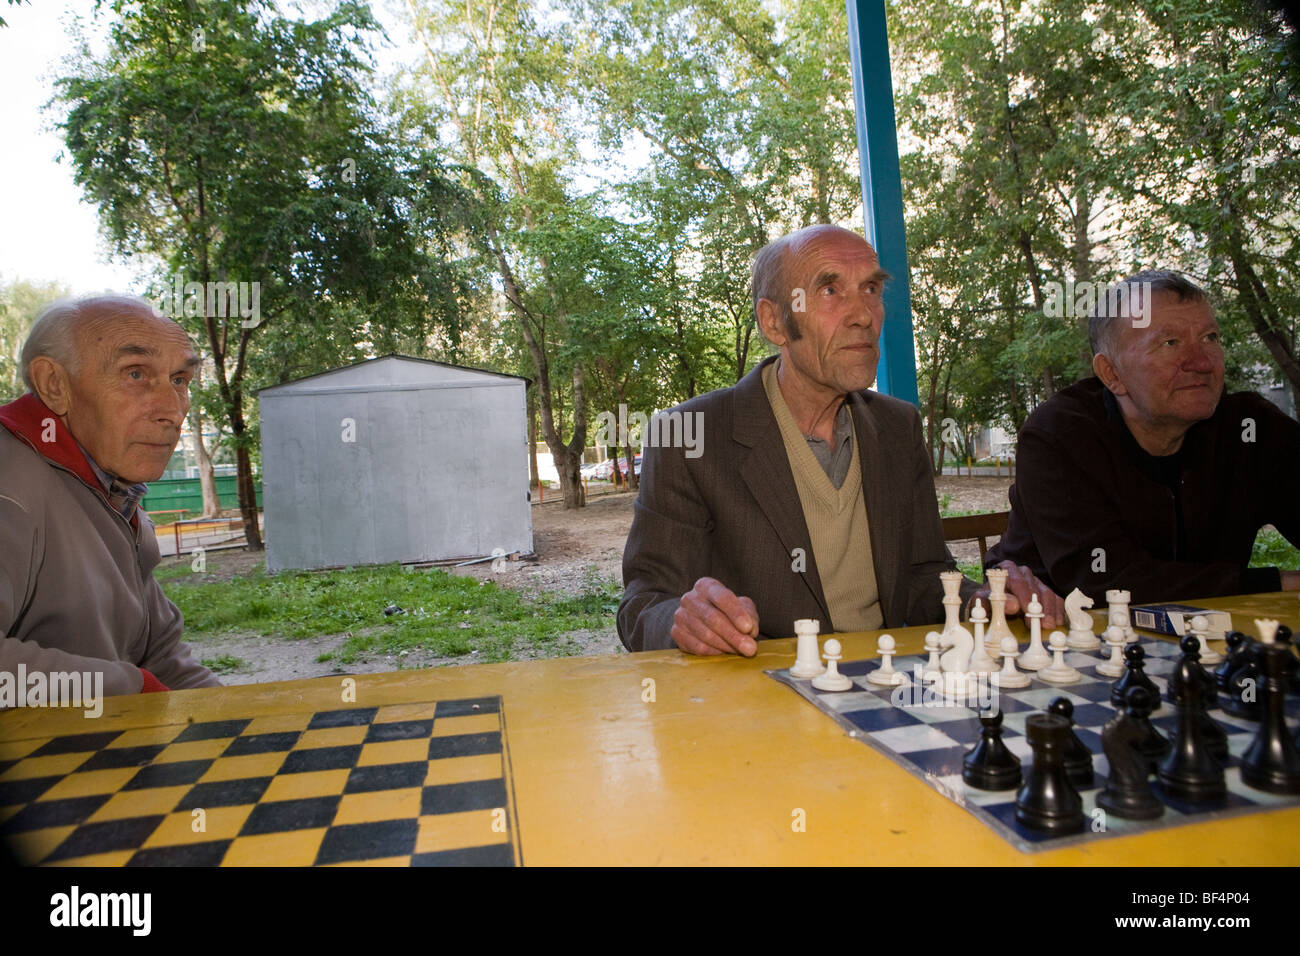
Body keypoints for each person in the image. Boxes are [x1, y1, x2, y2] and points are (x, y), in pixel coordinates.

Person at [618, 225, 1061, 655]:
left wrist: (982, 603)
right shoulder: (688, 437)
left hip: (884, 689)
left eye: (871, 289)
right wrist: (684, 620)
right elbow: (643, 603)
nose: (864, 316)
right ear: (774, 321)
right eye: (830, 291)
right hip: (762, 706)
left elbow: (923, 576)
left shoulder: (898, 428)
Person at [987, 270, 1300, 604]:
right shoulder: (1059, 436)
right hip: (1062, 636)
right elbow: (1107, 581)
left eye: (1210, 337)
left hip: (1211, 641)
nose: (1202, 362)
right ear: (1112, 374)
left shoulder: (1250, 429)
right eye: (1170, 343)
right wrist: (1276, 582)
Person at [0, 295, 220, 696]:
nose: (172, 410)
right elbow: (146, 679)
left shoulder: (116, 496)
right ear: (54, 384)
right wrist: (128, 687)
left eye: (179, 380)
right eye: (135, 374)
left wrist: (236, 726)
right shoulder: (10, 481)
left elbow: (164, 659)